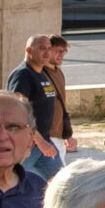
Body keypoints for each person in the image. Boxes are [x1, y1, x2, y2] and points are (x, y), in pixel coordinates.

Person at [7, 35, 66, 179]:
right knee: (12, 182)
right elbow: (17, 114)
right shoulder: (23, 75)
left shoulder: (41, 74)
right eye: (41, 49)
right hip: (26, 143)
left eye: (49, 49)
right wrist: (40, 142)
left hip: (42, 141)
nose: (47, 53)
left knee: (60, 183)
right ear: (28, 50)